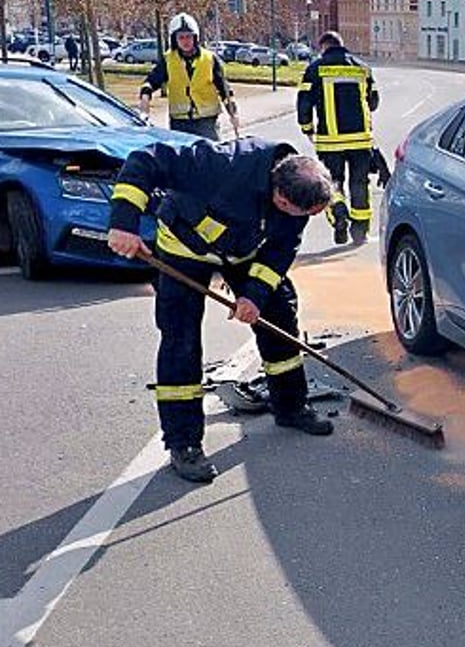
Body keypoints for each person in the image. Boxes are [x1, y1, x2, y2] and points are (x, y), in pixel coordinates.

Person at [107, 137, 335, 484]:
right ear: (280, 197)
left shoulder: (301, 198)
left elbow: (281, 248)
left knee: (278, 314)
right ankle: (184, 443)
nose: (303, 219)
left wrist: (254, 296)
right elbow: (145, 160)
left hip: (243, 252)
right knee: (181, 340)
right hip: (184, 250)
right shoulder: (218, 164)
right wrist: (124, 222)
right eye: (299, 213)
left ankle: (290, 406)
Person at [296, 31, 387, 246]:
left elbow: (304, 102)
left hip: (330, 141)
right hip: (361, 139)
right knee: (360, 183)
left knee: (332, 181)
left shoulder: (315, 69)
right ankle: (360, 231)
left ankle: (338, 213)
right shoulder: (362, 68)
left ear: (323, 47)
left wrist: (307, 128)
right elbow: (373, 102)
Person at [138, 12, 239, 141]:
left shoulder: (210, 59)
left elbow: (225, 90)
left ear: (195, 37)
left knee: (210, 153)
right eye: (181, 37)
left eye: (188, 37)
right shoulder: (168, 60)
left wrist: (233, 114)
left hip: (207, 122)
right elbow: (151, 82)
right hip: (180, 123)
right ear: (174, 39)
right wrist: (145, 103)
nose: (185, 41)